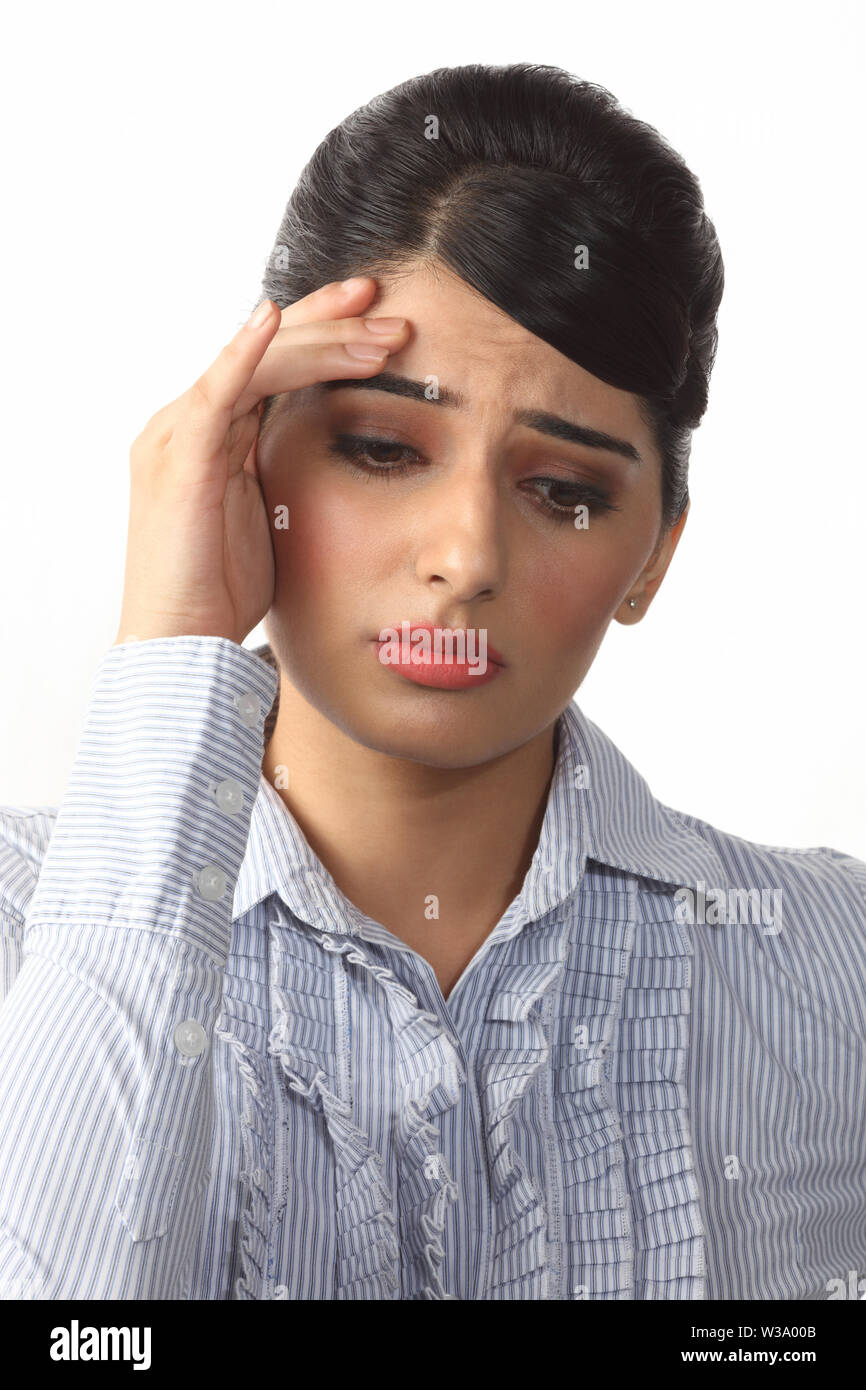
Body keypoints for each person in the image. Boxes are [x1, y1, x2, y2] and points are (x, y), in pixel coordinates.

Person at [1, 62, 864, 1303]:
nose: (463, 558)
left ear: (651, 558)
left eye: (563, 490)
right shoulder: (30, 931)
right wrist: (172, 641)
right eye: (381, 447)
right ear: (244, 458)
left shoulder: (832, 966)